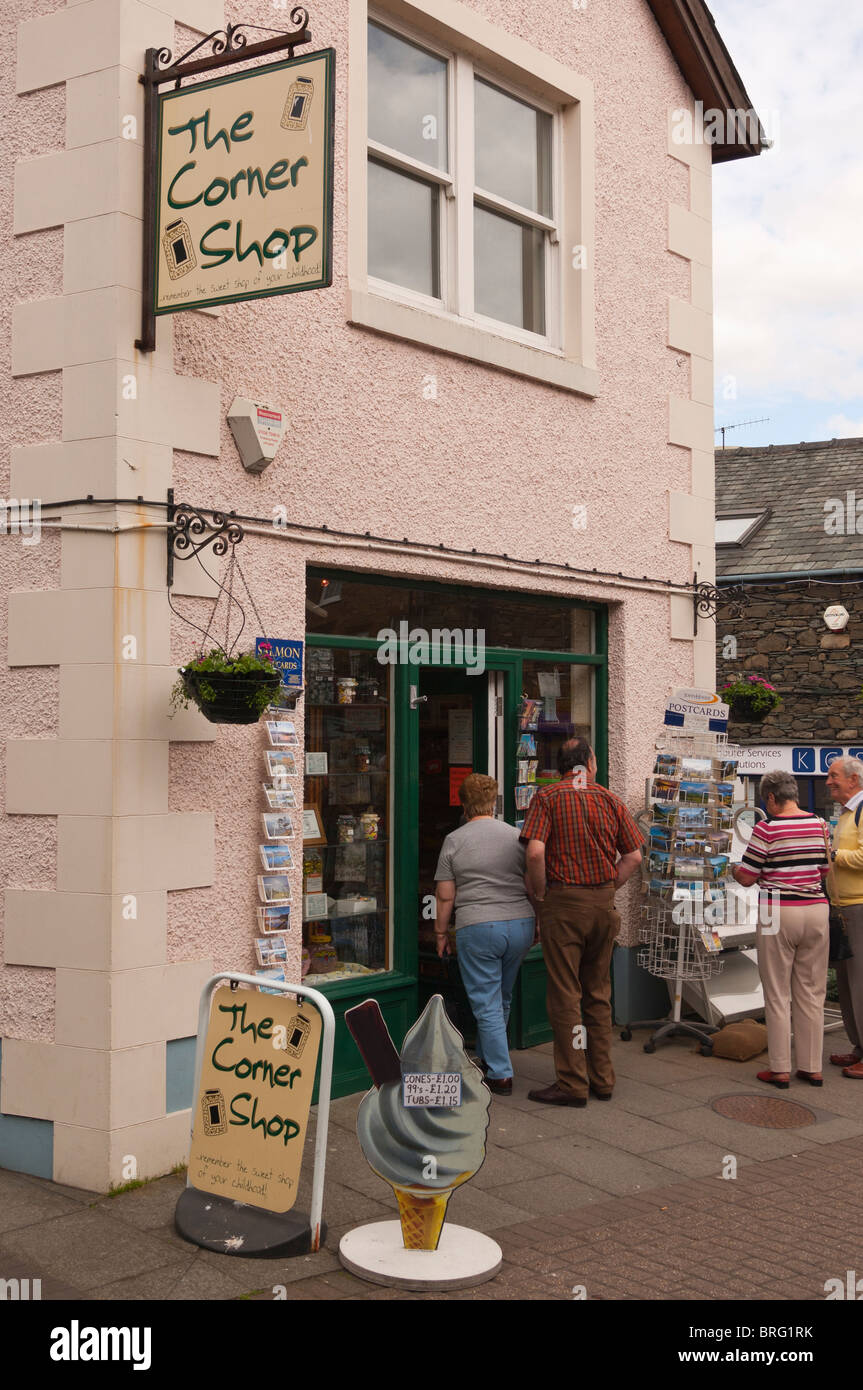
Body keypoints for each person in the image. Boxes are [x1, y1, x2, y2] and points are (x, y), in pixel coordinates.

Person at [520, 738, 643, 1106]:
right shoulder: (609, 798)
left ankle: (573, 1083)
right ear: (590, 763)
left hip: (564, 903)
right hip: (603, 903)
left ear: (561, 766)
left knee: (565, 995)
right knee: (598, 993)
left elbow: (535, 851)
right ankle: (602, 1078)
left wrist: (541, 896)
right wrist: (609, 885)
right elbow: (634, 857)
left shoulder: (547, 797)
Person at [434, 773, 535, 1096]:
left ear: (463, 804)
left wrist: (440, 933)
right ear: (494, 802)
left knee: (486, 1002)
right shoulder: (516, 835)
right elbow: (532, 881)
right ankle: (493, 1058)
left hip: (478, 926)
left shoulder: (454, 840)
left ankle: (501, 1074)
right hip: (520, 923)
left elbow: (446, 895)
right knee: (501, 997)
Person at [732, 771, 830, 1088]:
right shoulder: (820, 825)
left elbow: (747, 877)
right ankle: (812, 1066)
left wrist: (734, 868)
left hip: (778, 910)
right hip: (816, 910)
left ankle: (780, 1068)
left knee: (777, 992)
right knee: (812, 991)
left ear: (772, 798)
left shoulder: (767, 828)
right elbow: (824, 868)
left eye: (766, 800)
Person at [824, 755, 863, 1079]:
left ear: (853, 779)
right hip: (844, 907)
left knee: (860, 982)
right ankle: (858, 1048)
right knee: (849, 984)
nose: (828, 781)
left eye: (834, 775)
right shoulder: (848, 813)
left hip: (859, 907)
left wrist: (833, 853)